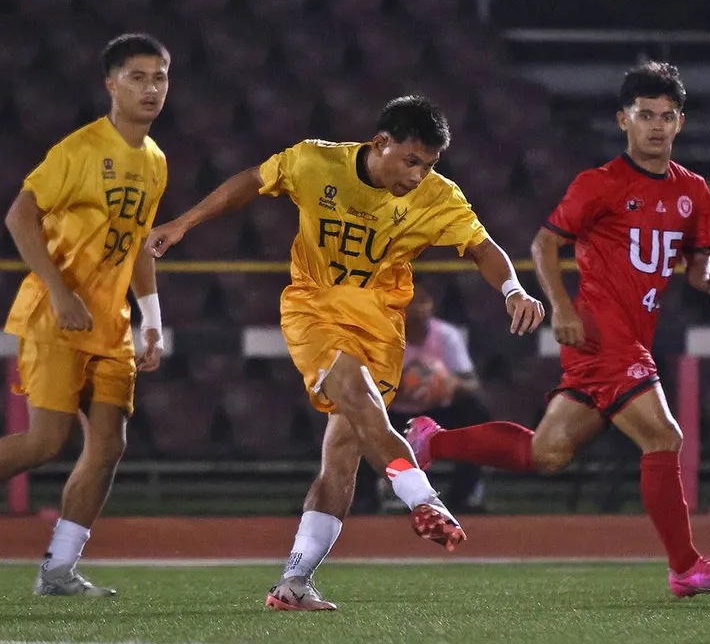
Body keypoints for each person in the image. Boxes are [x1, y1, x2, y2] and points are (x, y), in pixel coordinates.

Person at [145, 96, 544, 611]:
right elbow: (253, 179)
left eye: (430, 165)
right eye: (412, 160)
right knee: (355, 394)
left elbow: (482, 247)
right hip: (314, 307)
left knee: (341, 460)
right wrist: (185, 223)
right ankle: (423, 498)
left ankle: (294, 582)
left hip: (380, 323)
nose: (420, 174)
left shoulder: (436, 197)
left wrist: (512, 289)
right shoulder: (317, 162)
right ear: (381, 143)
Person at [405, 62, 710, 598]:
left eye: (666, 116)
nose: (656, 126)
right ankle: (685, 567)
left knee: (546, 453)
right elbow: (545, 245)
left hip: (631, 337)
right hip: (599, 331)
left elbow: (696, 261)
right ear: (624, 120)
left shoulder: (695, 191)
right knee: (664, 436)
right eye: (645, 115)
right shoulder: (600, 184)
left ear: (680, 123)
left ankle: (434, 441)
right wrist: (562, 308)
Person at [0, 33, 171, 596]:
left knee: (109, 445)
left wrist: (152, 317)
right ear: (110, 84)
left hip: (110, 325)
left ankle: (58, 571)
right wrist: (60, 292)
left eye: (159, 76)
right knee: (45, 441)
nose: (151, 88)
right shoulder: (81, 150)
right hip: (55, 316)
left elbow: (137, 243)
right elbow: (21, 217)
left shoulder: (155, 160)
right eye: (137, 77)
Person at [355, 281, 491, 514]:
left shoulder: (446, 335)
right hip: (395, 412)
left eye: (423, 302)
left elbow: (471, 383)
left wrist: (450, 384)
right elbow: (365, 386)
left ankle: (463, 496)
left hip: (439, 413)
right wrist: (397, 387)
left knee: (476, 411)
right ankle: (364, 498)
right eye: (411, 303)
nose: (418, 309)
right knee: (358, 416)